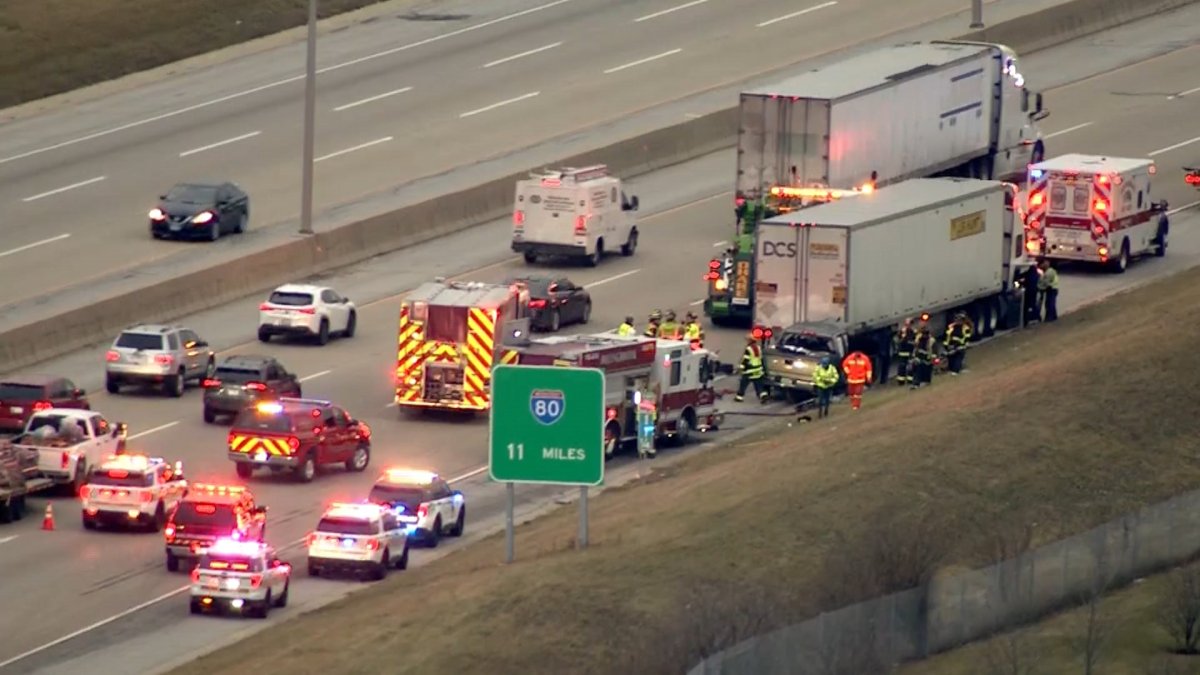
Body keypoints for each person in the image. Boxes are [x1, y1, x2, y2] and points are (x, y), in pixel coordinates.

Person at [735, 335, 769, 403]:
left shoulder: (749, 349)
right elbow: (761, 359)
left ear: (750, 340)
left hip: (749, 370)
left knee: (743, 384)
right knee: (758, 384)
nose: (747, 341)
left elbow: (746, 360)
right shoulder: (758, 348)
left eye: (748, 340)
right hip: (758, 370)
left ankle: (739, 397)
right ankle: (763, 395)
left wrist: (741, 368)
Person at [893, 318, 916, 386]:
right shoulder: (906, 331)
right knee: (904, 366)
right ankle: (902, 381)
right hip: (905, 351)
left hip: (907, 351)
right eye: (910, 324)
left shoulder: (909, 331)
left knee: (909, 365)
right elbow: (904, 340)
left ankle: (908, 380)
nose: (910, 325)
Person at [1037, 258, 1059, 322]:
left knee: (1049, 303)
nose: (1041, 267)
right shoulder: (1049, 271)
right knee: (1051, 302)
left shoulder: (1049, 272)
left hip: (1052, 288)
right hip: (1053, 287)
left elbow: (1045, 282)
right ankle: (1054, 316)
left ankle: (1049, 317)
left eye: (1041, 265)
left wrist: (1040, 288)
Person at [1021, 262, 1041, 327]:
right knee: (1033, 305)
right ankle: (1037, 317)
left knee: (1026, 307)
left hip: (1028, 292)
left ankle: (1025, 321)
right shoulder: (1037, 275)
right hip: (1034, 292)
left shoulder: (1028, 274)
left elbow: (1022, 280)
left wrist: (1017, 285)